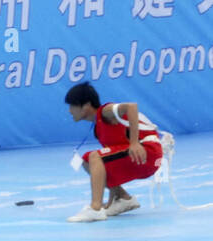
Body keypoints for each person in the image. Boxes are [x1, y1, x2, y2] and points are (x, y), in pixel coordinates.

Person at [64, 82, 164, 223]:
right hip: (140, 157)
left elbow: (131, 107)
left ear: (85, 105)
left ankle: (95, 208)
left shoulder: (105, 112)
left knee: (95, 156)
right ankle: (123, 198)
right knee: (87, 159)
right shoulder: (99, 129)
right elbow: (107, 165)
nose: (69, 111)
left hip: (148, 151)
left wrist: (134, 143)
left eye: (72, 106)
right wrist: (112, 196)